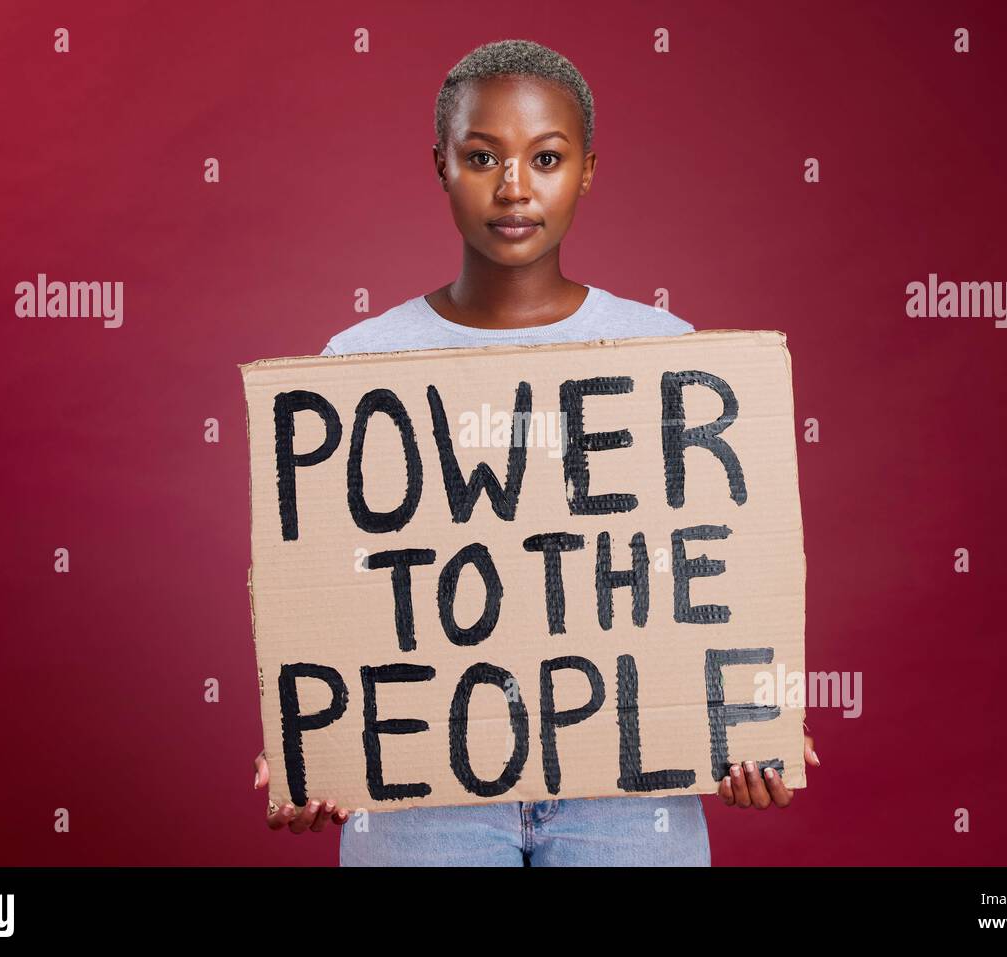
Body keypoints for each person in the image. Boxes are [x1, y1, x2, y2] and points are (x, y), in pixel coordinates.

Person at [252, 38, 820, 865]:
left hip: (627, 797)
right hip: (424, 792)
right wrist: (311, 743)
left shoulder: (664, 353)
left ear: (586, 169)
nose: (515, 187)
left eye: (546, 157)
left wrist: (752, 718)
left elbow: (717, 566)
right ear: (440, 165)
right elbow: (331, 581)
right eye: (482, 156)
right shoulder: (359, 364)